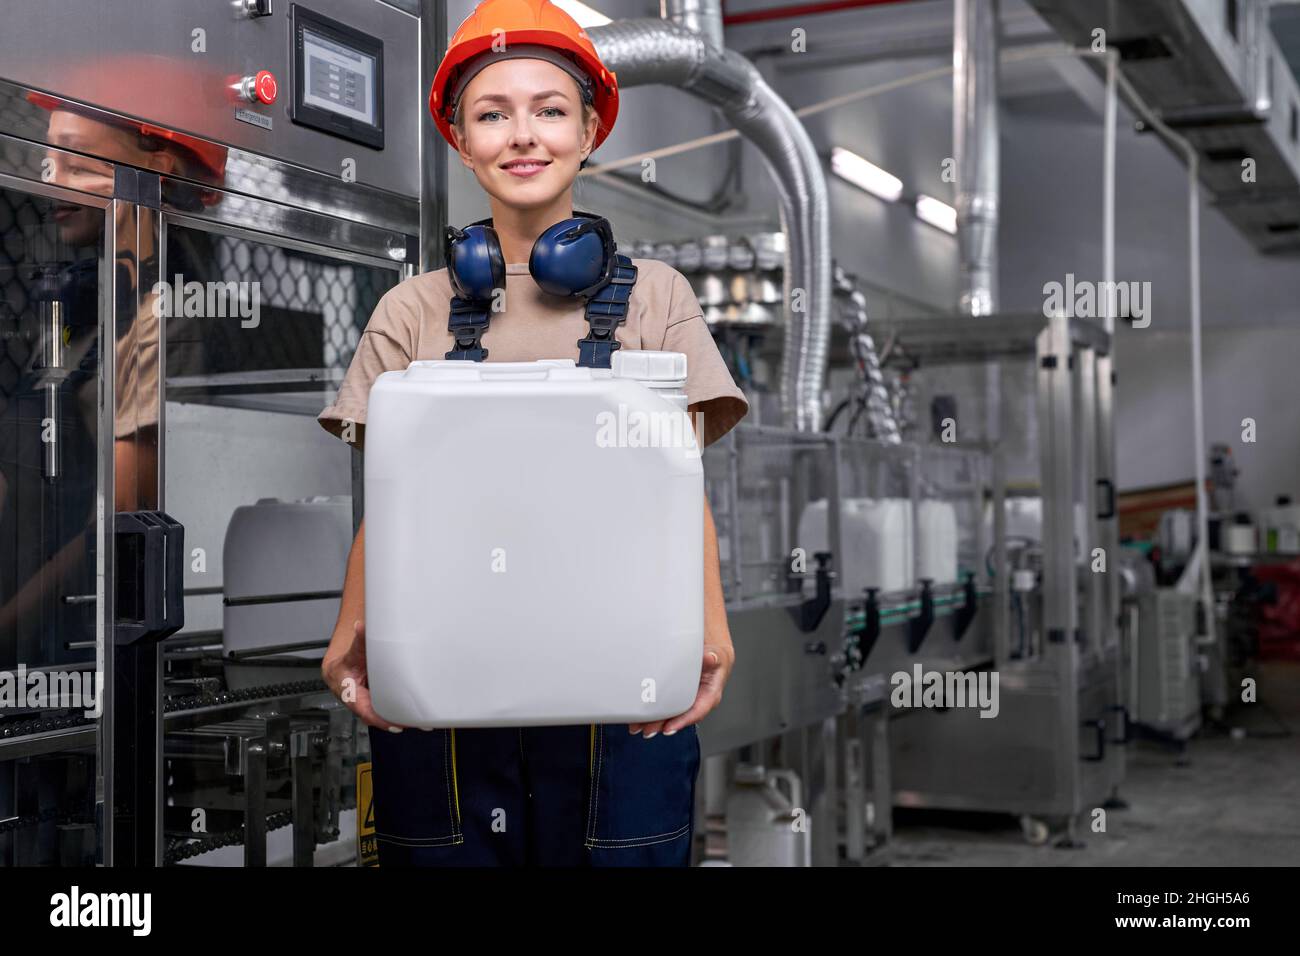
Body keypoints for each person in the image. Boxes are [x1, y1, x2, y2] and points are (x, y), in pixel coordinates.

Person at [318, 0, 748, 866]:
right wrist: (349, 629)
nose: (523, 135)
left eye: (550, 110)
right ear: (460, 139)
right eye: (492, 113)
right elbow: (391, 504)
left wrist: (709, 625)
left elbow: (678, 485)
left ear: (590, 129)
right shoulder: (414, 308)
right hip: (443, 681)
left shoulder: (657, 296)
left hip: (618, 681)